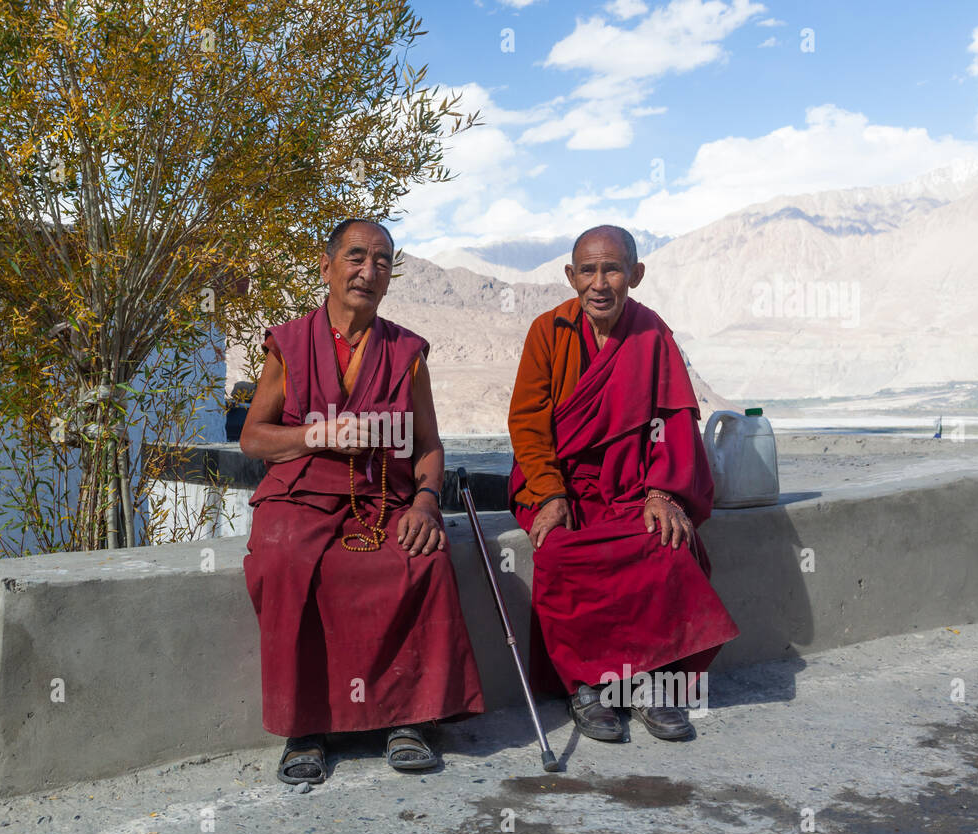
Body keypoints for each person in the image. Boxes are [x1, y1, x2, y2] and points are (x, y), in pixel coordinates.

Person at [240, 218, 485, 785]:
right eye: (355, 257)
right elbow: (254, 437)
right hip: (301, 493)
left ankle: (411, 720)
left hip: (382, 495)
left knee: (423, 558)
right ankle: (307, 729)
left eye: (381, 262)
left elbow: (427, 445)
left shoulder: (405, 352)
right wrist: (315, 435)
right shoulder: (291, 345)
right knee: (283, 560)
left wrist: (426, 502)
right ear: (326, 267)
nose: (367, 271)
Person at [507, 225, 740, 742]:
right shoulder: (548, 332)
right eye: (587, 270)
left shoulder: (651, 333)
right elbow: (528, 421)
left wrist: (662, 491)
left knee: (665, 543)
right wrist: (549, 493)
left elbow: (675, 419)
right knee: (559, 552)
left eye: (612, 269)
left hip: (635, 484)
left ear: (635, 274)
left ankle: (654, 680)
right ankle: (586, 686)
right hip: (563, 484)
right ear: (571, 276)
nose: (599, 282)